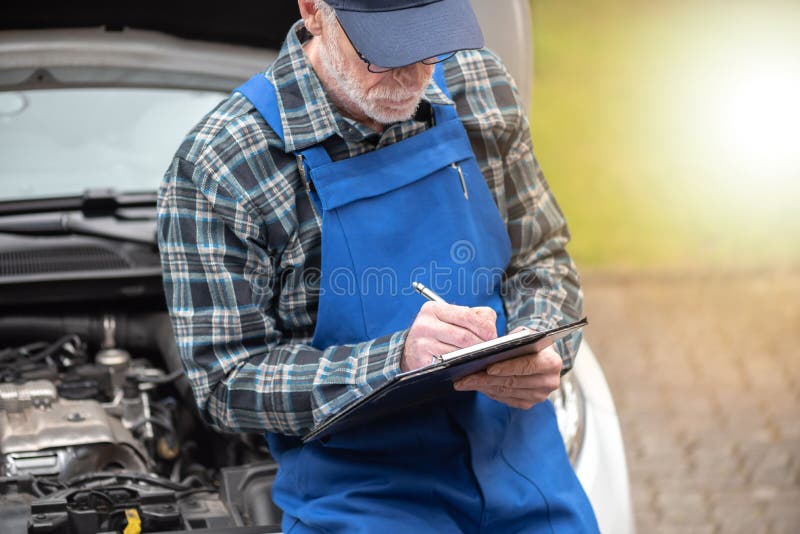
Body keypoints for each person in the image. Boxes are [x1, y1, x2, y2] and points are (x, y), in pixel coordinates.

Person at [158, 0, 600, 531]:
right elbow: (225, 383)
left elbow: (541, 255)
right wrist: (397, 360)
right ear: (313, 11)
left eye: (429, 43)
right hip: (363, 498)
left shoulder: (479, 84)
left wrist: (547, 343)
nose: (413, 74)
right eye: (384, 51)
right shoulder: (223, 164)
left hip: (529, 472)